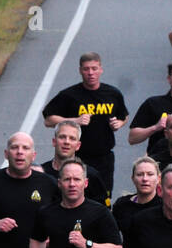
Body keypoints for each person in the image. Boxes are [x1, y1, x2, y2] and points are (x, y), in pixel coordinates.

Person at [43, 52, 128, 195]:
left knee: (103, 196)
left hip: (104, 158)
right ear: (80, 70)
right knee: (73, 194)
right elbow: (48, 120)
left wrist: (119, 123)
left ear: (101, 69)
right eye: (86, 69)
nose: (90, 73)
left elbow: (124, 116)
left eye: (94, 68)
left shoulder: (112, 93)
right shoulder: (69, 95)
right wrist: (74, 120)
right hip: (77, 157)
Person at [128, 63, 172, 158]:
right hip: (158, 160)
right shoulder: (153, 104)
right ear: (169, 79)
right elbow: (132, 138)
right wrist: (155, 127)